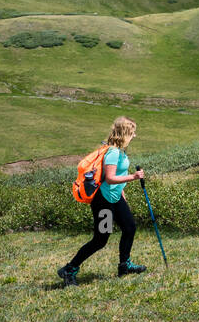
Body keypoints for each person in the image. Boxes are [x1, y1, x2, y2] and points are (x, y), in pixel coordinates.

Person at [58, 116, 147, 286]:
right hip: (103, 202)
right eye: (133, 132)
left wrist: (122, 194)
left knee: (130, 228)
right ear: (125, 133)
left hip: (116, 198)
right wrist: (134, 177)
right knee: (101, 239)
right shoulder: (113, 152)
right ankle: (69, 269)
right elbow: (111, 178)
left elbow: (116, 179)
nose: (135, 136)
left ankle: (125, 265)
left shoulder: (120, 151)